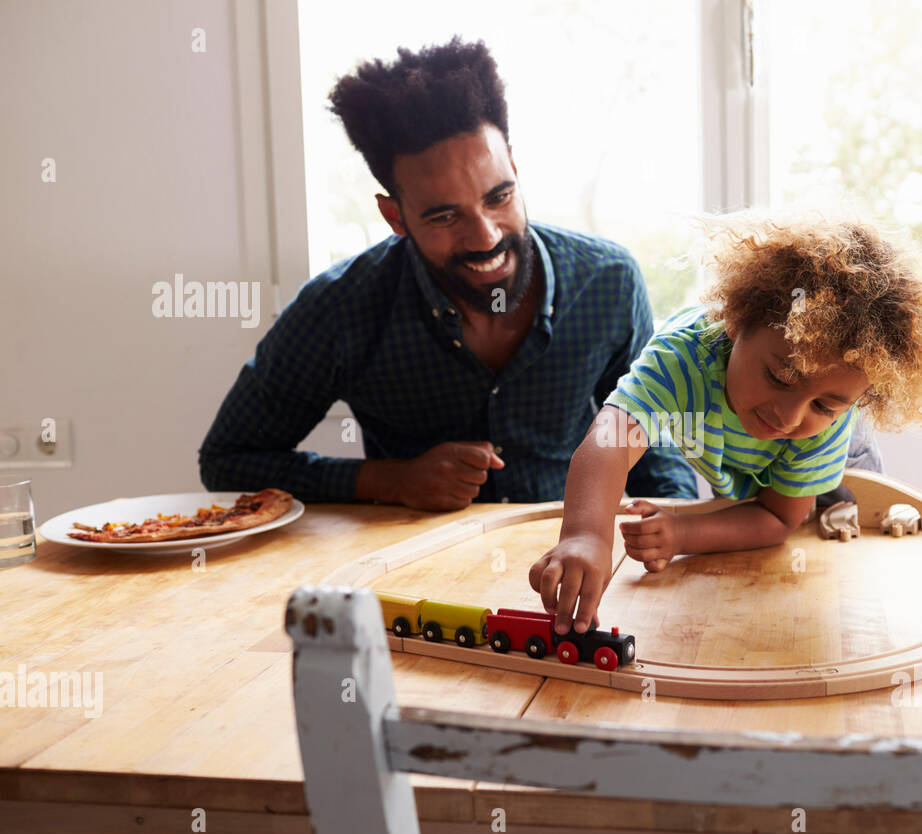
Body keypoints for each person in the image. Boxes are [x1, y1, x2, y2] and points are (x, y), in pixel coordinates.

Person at [198, 39, 698, 508]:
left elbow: (653, 454)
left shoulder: (607, 281)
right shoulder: (338, 309)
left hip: (566, 572)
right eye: (444, 216)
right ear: (395, 218)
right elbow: (228, 461)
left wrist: (676, 537)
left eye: (498, 197)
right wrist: (390, 481)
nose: (485, 237)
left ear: (516, 172)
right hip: (413, 585)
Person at [530, 215, 922, 635]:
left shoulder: (827, 425)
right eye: (780, 377)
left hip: (839, 474)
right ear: (735, 320)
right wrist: (586, 535)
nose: (788, 415)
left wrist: (682, 532)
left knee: (838, 556)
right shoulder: (681, 359)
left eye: (824, 403)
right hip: (745, 466)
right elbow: (610, 437)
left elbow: (777, 518)